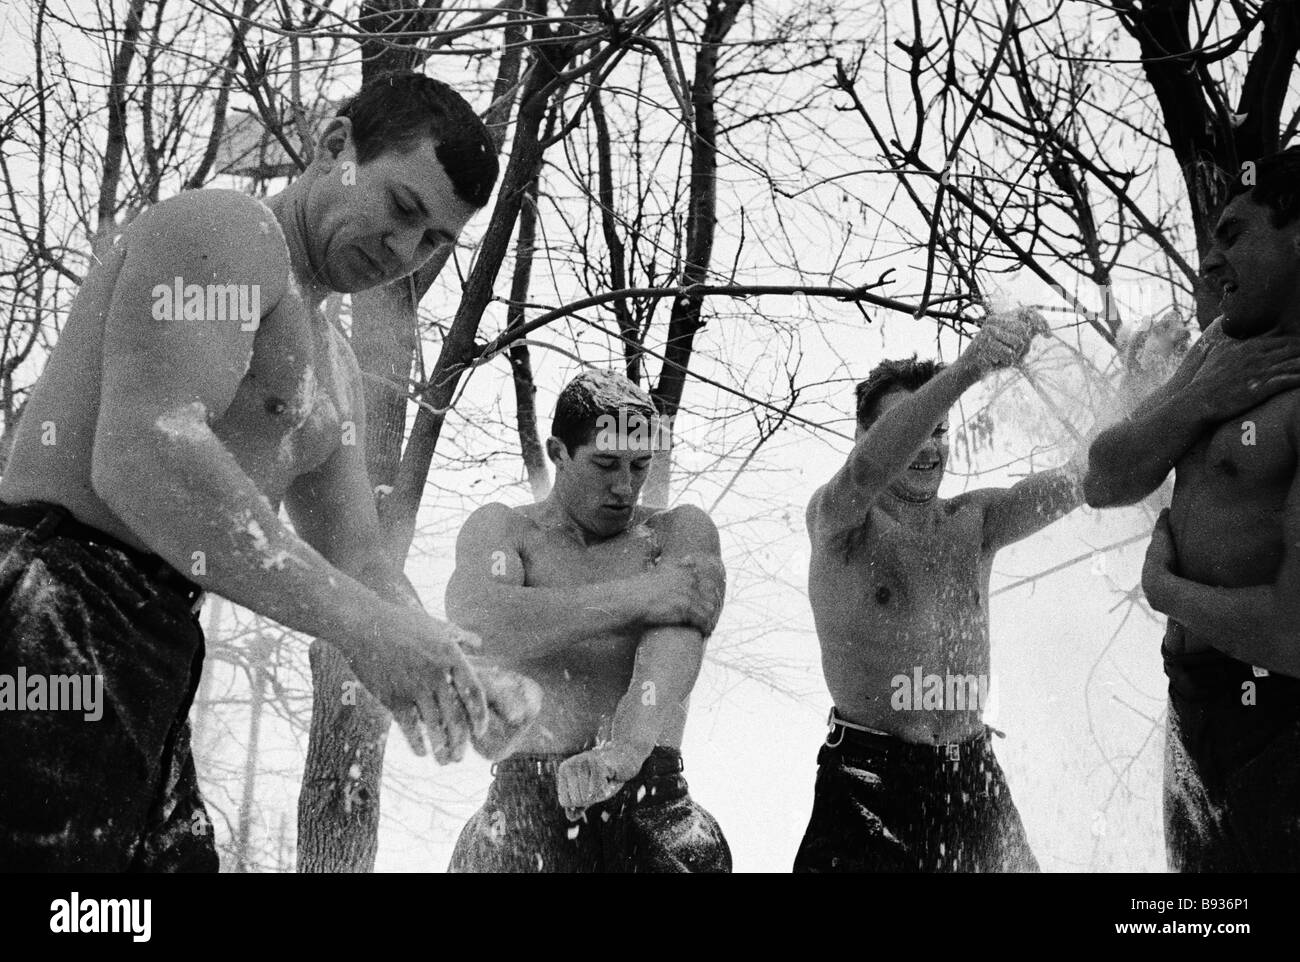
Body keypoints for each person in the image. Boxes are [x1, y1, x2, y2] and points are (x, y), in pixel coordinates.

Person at [0, 71, 517, 871]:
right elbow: (144, 455)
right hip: (53, 602)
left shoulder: (329, 369)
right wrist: (364, 627)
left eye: (435, 241)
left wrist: (448, 665)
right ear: (334, 147)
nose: (404, 252)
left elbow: (361, 558)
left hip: (150, 644)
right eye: (403, 209)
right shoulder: (228, 233)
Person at [794, 310, 1086, 872]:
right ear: (863, 435)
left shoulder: (974, 521)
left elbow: (1087, 477)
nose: (927, 447)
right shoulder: (840, 522)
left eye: (939, 430)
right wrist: (969, 368)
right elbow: (865, 471)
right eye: (910, 428)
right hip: (868, 779)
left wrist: (1154, 386)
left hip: (970, 777)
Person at [1086, 146, 1300, 871]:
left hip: (1282, 730)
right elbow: (1104, 474)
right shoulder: (1218, 348)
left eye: (1234, 234)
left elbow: (1293, 635)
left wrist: (1164, 591)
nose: (1210, 261)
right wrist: (1204, 396)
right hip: (1193, 709)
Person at [444, 369, 731, 872]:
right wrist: (641, 595)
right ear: (558, 453)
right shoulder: (504, 530)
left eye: (640, 465)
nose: (625, 486)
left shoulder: (677, 533)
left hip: (648, 793)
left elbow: (674, 643)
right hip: (524, 802)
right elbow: (482, 620)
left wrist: (623, 750)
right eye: (606, 464)